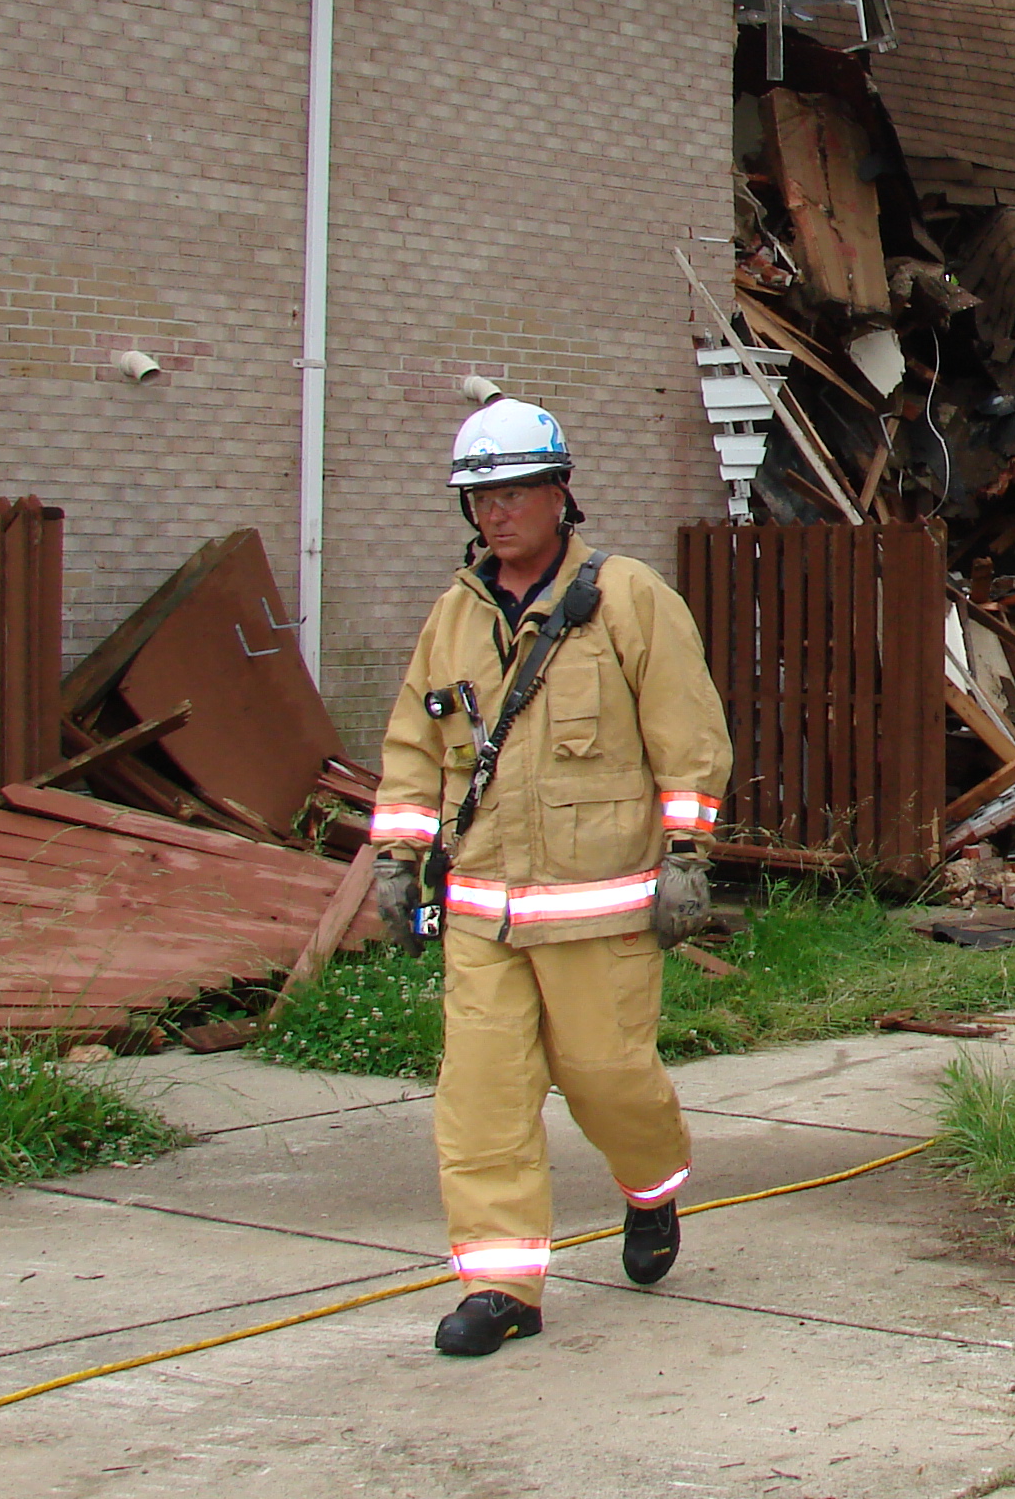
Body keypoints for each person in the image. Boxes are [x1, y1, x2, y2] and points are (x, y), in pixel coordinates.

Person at [370, 398, 733, 1357]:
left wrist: (687, 855)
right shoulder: (453, 618)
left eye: (516, 492)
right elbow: (413, 749)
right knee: (480, 1103)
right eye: (481, 497)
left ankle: (650, 1187)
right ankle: (501, 1287)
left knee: (610, 1082)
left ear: (561, 492)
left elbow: (687, 733)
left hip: (599, 909)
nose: (497, 512)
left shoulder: (629, 598)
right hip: (482, 913)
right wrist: (396, 860)